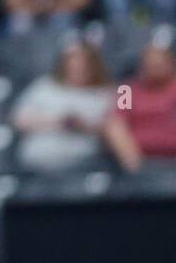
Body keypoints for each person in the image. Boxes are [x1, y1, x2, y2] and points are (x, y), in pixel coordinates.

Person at [11, 42, 114, 173]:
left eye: (84, 66)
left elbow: (120, 127)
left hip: (85, 164)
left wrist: (83, 126)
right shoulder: (44, 86)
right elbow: (18, 121)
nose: (78, 69)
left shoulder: (108, 93)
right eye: (73, 65)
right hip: (37, 165)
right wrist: (60, 121)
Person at [103, 42, 176, 172]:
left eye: (159, 64)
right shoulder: (126, 90)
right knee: (113, 126)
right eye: (150, 65)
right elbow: (116, 122)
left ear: (170, 64)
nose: (155, 68)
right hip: (139, 160)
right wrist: (134, 163)